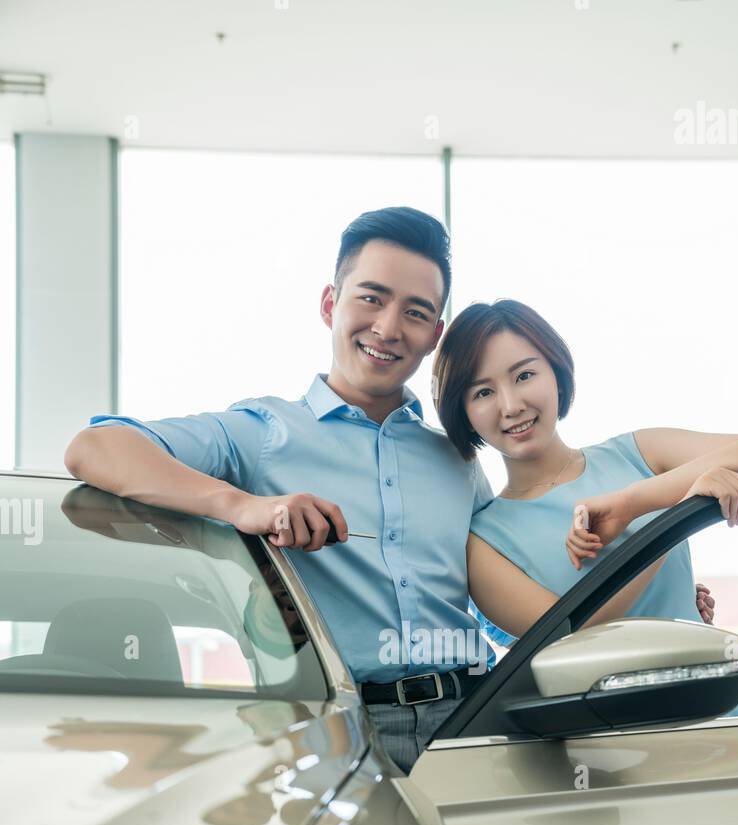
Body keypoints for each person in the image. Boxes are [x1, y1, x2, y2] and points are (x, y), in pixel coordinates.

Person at [66, 207, 495, 775]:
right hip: (334, 731)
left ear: (434, 335)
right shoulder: (263, 433)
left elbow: (499, 611)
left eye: (415, 313)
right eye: (371, 298)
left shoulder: (459, 460)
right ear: (329, 304)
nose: (389, 328)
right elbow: (94, 448)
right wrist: (246, 506)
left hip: (475, 721)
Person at [432, 299, 738, 715]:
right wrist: (677, 511)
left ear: (556, 372)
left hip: (720, 708)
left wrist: (634, 501)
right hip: (616, 744)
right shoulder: (483, 545)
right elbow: (579, 635)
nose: (511, 404)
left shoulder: (636, 455)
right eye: (483, 392)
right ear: (463, 411)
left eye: (524, 375)